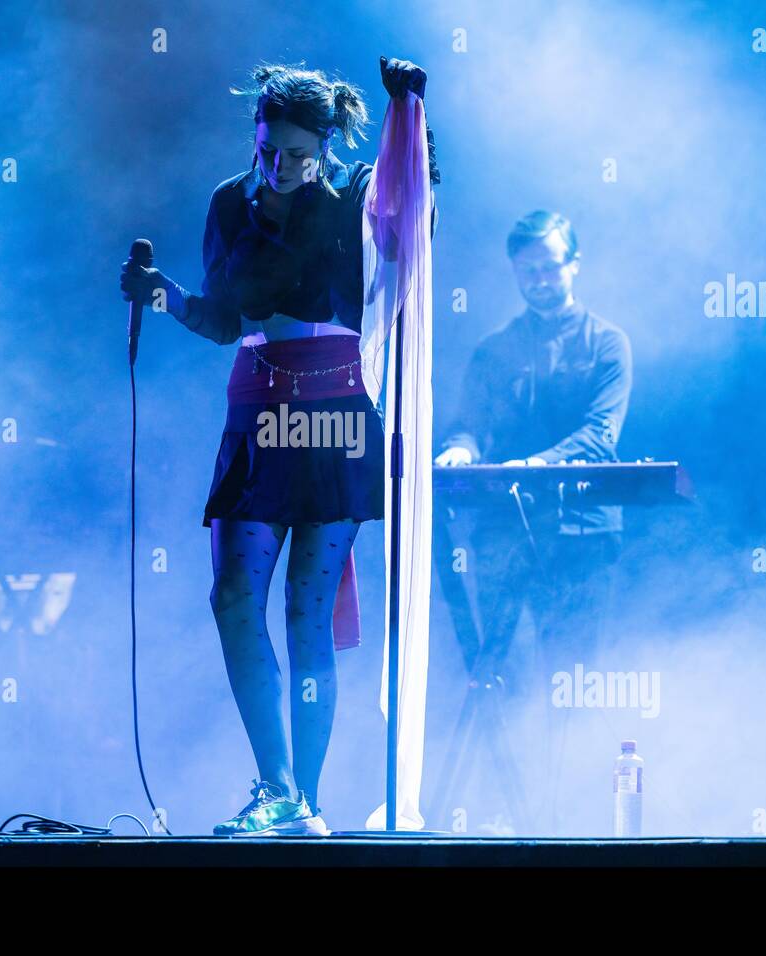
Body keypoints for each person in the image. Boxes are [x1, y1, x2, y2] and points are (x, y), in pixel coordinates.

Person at [120, 58, 438, 836]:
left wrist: (411, 112)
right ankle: (278, 787)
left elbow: (421, 210)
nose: (282, 165)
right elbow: (226, 319)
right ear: (255, 138)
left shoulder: (361, 200)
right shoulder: (231, 202)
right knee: (232, 598)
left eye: (298, 153)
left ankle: (305, 803)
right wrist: (162, 296)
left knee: (305, 614)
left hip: (332, 416)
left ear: (326, 146)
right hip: (255, 407)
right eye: (269, 149)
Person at [434, 211, 631, 829]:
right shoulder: (495, 350)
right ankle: (503, 815)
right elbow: (466, 421)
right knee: (500, 674)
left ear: (575, 263)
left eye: (550, 267)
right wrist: (462, 449)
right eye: (528, 270)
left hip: (581, 535)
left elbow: (601, 437)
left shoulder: (607, 343)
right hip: (502, 533)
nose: (540, 280)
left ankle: (567, 818)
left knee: (570, 680)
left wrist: (530, 464)